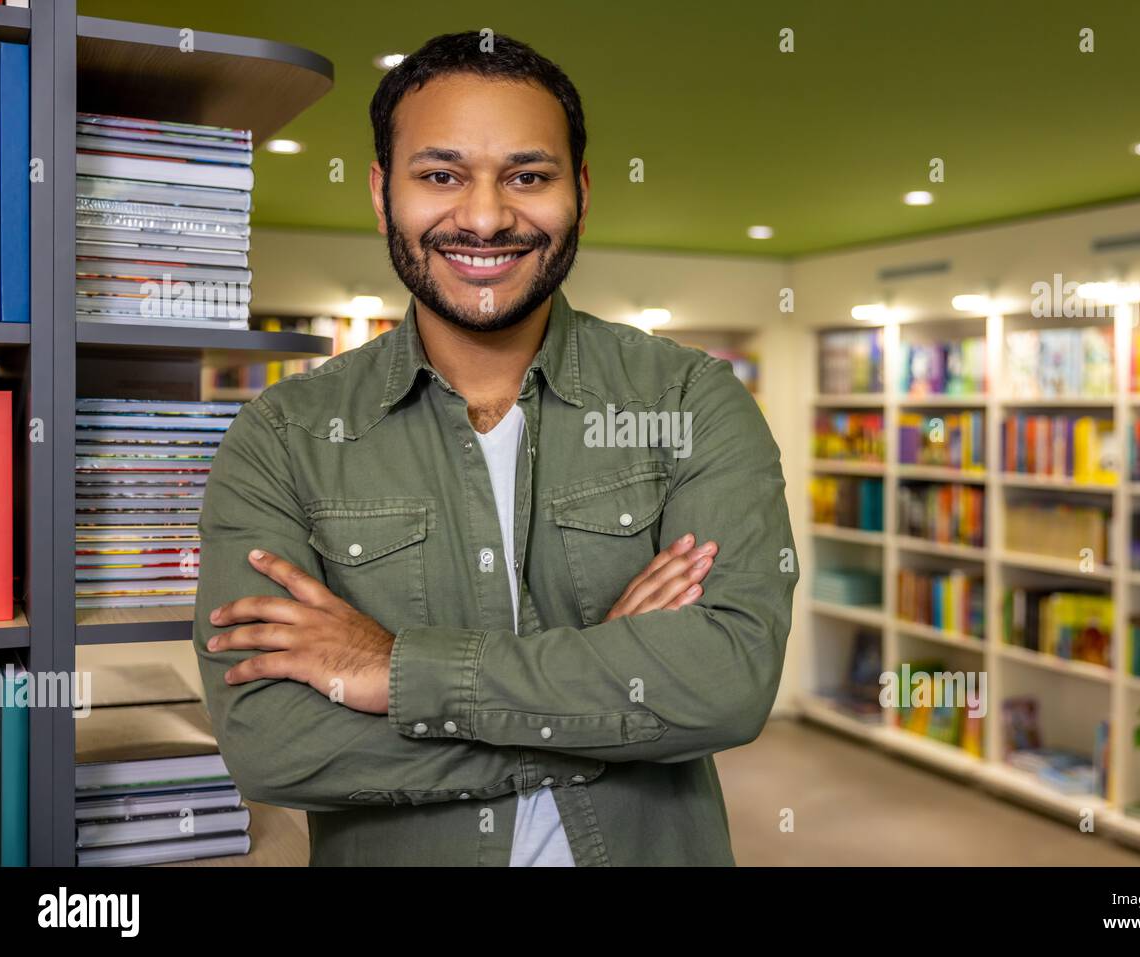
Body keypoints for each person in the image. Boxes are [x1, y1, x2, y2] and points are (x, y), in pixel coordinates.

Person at [193, 30, 796, 866]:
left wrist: (395, 672)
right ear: (381, 192)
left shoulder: (692, 400)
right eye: (440, 175)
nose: (483, 216)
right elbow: (273, 742)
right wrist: (608, 693)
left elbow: (724, 684)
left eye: (528, 176)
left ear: (579, 190)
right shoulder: (281, 440)